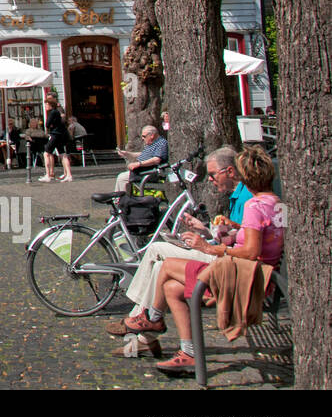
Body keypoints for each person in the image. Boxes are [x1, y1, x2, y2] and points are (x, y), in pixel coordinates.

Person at [123, 147, 284, 376]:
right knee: (171, 287)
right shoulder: (277, 203)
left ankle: (153, 319)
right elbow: (263, 237)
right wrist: (233, 229)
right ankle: (188, 353)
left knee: (165, 264)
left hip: (245, 275)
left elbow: (251, 251)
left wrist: (208, 247)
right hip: (260, 271)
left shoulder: (253, 205)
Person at [108, 147, 250, 339]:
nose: (210, 179)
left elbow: (243, 245)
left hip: (225, 263)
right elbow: (235, 236)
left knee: (157, 249)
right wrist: (205, 230)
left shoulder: (247, 199)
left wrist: (205, 245)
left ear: (230, 172)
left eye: (213, 174)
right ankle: (144, 338)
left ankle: (140, 315)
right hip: (222, 256)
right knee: (159, 268)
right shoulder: (239, 197)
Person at [115, 125, 169, 192]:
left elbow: (156, 159)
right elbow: (143, 154)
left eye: (144, 136)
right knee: (122, 176)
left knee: (122, 178)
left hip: (151, 172)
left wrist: (138, 164)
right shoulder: (151, 143)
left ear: (152, 135)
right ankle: (121, 198)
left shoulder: (161, 143)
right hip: (144, 171)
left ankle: (121, 200)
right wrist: (127, 154)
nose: (142, 138)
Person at [39, 95, 74, 183]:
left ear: (50, 105)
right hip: (60, 135)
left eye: (46, 104)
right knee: (62, 154)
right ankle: (69, 175)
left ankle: (48, 175)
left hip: (55, 135)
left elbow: (47, 124)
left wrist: (51, 125)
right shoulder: (57, 112)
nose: (45, 106)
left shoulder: (52, 112)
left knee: (46, 153)